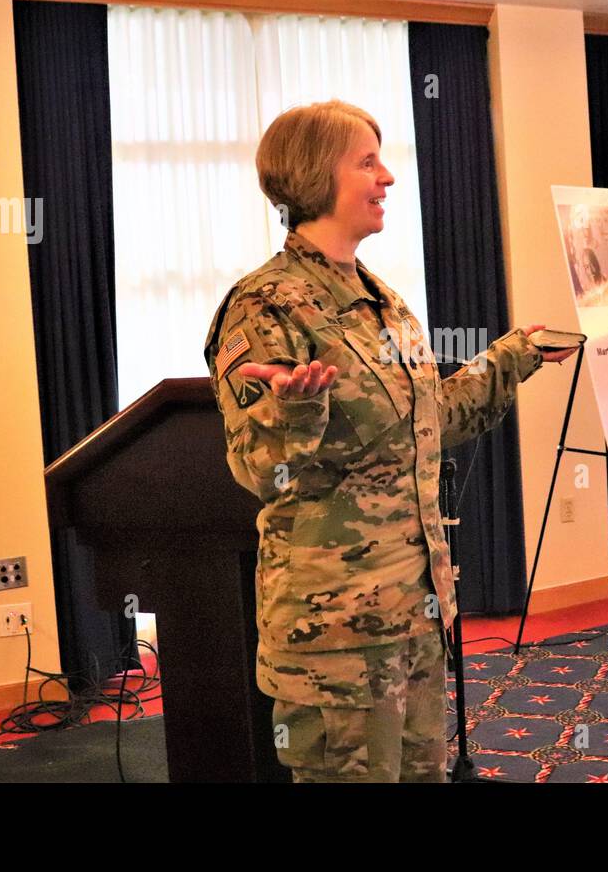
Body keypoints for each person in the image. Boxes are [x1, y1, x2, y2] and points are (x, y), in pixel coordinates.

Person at [203, 100, 574, 783]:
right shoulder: (263, 307)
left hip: (415, 613)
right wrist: (297, 414)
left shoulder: (383, 301)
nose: (388, 177)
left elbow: (432, 421)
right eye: (367, 162)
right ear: (317, 175)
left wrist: (512, 357)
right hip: (337, 637)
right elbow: (259, 473)